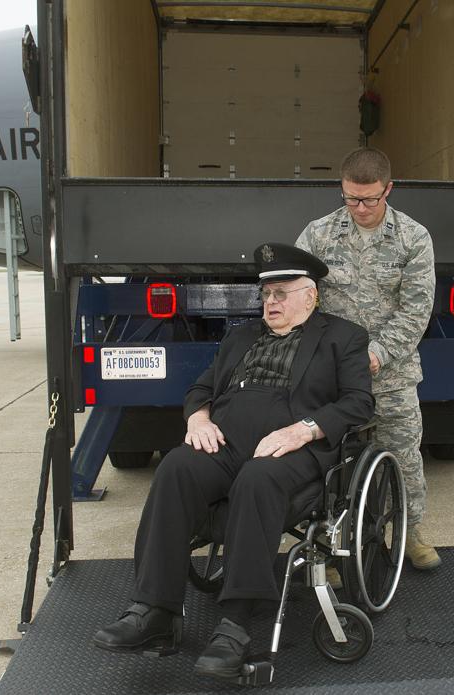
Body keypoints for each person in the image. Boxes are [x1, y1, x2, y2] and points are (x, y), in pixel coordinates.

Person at [92, 243, 373, 682]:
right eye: (266, 295)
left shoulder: (344, 337)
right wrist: (198, 416)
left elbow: (359, 403)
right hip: (227, 440)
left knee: (257, 481)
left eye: (281, 293)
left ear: (310, 295)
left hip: (290, 448)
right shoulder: (242, 336)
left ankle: (235, 626)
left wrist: (304, 429)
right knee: (175, 469)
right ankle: (154, 610)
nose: (271, 303)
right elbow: (199, 389)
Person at [296, 146, 440, 573]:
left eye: (369, 199)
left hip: (392, 378)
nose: (359, 208)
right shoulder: (318, 235)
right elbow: (303, 300)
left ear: (388, 190)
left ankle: (410, 533)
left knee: (404, 458)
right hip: (334, 382)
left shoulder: (414, 238)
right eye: (350, 198)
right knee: (329, 464)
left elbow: (416, 311)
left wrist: (375, 354)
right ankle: (329, 543)